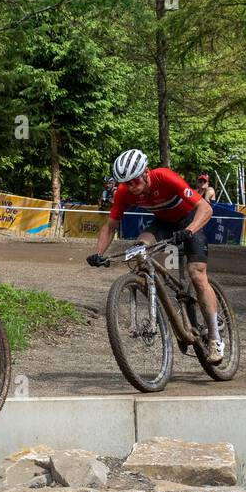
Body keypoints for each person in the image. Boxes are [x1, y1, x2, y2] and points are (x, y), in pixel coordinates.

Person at [86, 148, 226, 361]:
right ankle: (154, 293)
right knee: (137, 250)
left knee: (196, 274)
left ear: (146, 173)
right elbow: (111, 225)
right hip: (162, 223)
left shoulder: (165, 177)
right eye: (126, 183)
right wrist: (98, 253)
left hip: (189, 220)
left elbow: (205, 208)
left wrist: (189, 231)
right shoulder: (124, 192)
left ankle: (215, 338)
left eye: (135, 181)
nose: (131, 187)